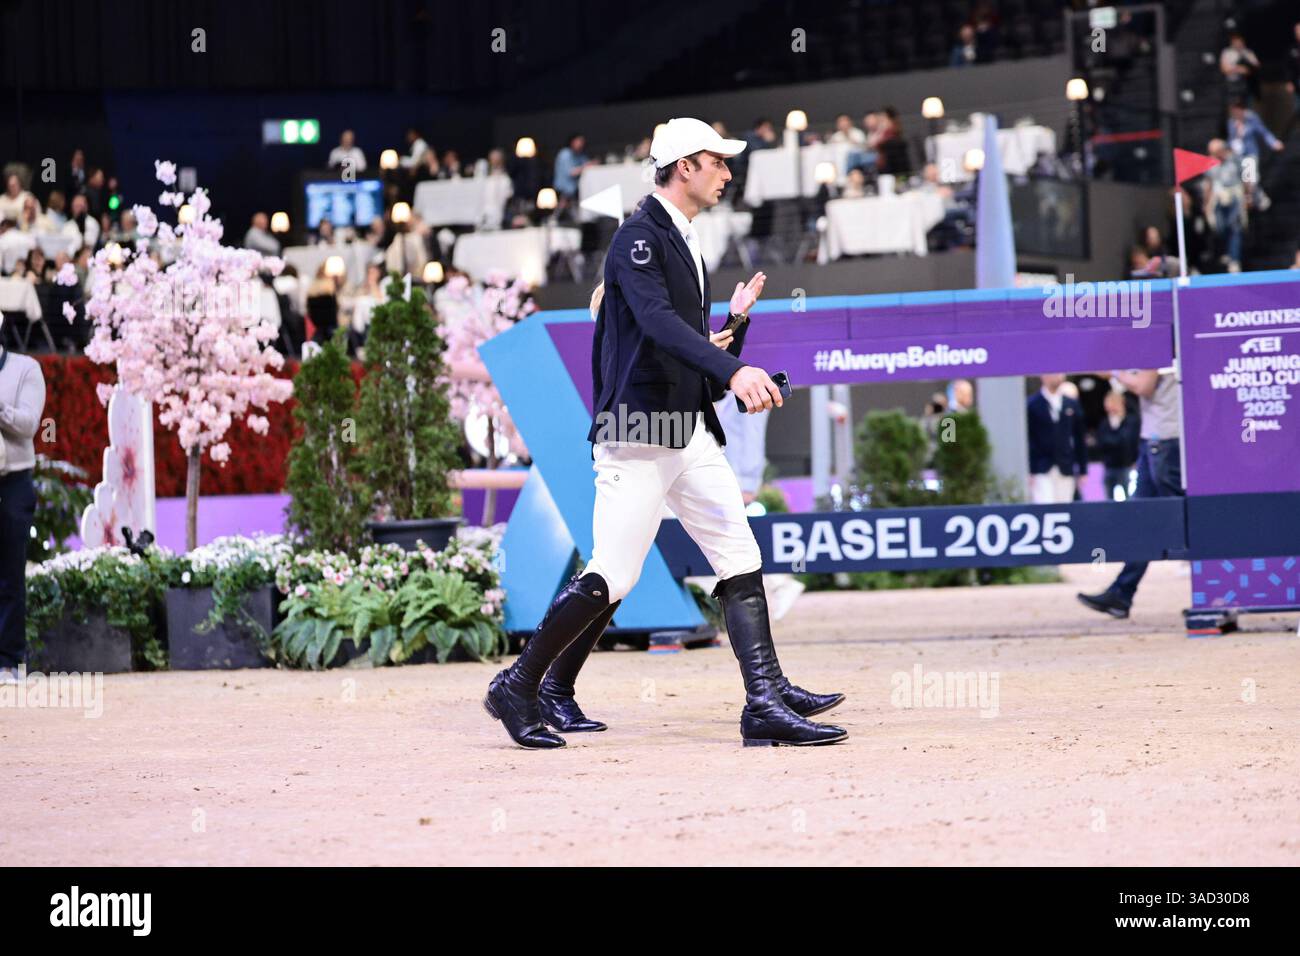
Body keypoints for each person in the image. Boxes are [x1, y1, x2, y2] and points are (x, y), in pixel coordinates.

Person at [483, 117, 845, 749]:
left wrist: (733, 328)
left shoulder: (677, 236)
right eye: (718, 163)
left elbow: (675, 341)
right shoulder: (640, 238)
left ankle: (764, 698)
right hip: (640, 431)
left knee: (739, 555)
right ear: (685, 167)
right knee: (613, 577)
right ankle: (519, 687)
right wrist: (734, 372)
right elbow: (654, 324)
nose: (728, 174)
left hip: (684, 430)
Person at [1078, 370, 1182, 618]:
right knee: (1142, 521)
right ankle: (1122, 593)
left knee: (1185, 520)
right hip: (1154, 440)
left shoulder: (1156, 340)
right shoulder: (1153, 341)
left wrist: (1115, 372)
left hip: (1165, 440)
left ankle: (1213, 595)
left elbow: (1144, 385)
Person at [0, 337, 46, 683]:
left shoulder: (25, 369)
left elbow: (30, 424)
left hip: (13, 482)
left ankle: (9, 661)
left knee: (10, 573)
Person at [1026, 373, 1087, 504]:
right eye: (1052, 373)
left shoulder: (1071, 404)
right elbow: (1029, 440)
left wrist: (1083, 469)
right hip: (1041, 467)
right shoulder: (1032, 404)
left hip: (1065, 465)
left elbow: (1079, 438)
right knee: (1044, 506)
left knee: (1065, 509)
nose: (1057, 377)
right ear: (1043, 376)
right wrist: (1029, 469)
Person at [1203, 139, 1245, 272]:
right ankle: (1227, 252)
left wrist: (1249, 195)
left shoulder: (1234, 160)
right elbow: (1208, 184)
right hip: (1218, 198)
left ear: (1222, 150)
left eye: (1215, 153)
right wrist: (1206, 203)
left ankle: (1234, 259)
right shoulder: (1210, 164)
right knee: (1220, 227)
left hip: (1235, 197)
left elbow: (1244, 178)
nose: (1213, 156)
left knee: (1234, 226)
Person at [1096, 389, 1139, 501]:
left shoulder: (1131, 421)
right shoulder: (1105, 423)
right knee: (1109, 500)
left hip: (1126, 466)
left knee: (1129, 499)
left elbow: (1127, 441)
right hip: (1109, 466)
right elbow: (1101, 443)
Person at [1219, 32, 1260, 103]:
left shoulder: (1248, 52)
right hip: (1232, 84)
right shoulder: (1227, 52)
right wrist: (1238, 69)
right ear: (1232, 42)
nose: (1238, 44)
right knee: (1233, 105)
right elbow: (1224, 69)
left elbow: (1256, 65)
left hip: (1246, 84)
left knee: (1247, 105)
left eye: (1239, 42)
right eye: (1236, 42)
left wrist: (1248, 68)